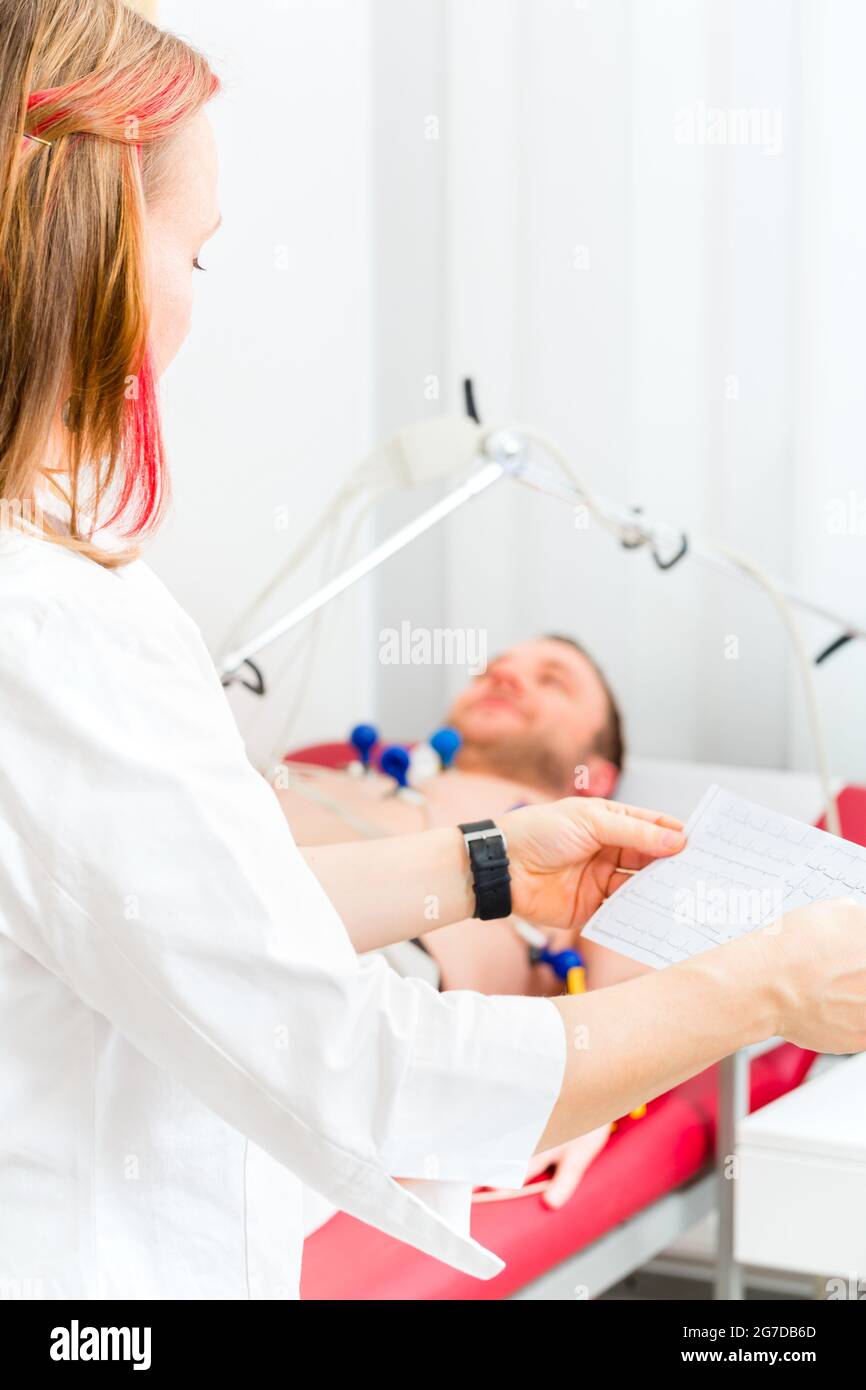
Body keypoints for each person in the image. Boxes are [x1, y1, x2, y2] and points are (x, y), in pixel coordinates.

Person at [3, 0, 866, 1302]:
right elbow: (359, 1056)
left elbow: (201, 908)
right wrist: (767, 983)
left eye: (557, 678)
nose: (189, 302)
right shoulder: (58, 626)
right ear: (101, 247)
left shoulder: (57, 605)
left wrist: (486, 860)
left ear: (597, 758)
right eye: (200, 253)